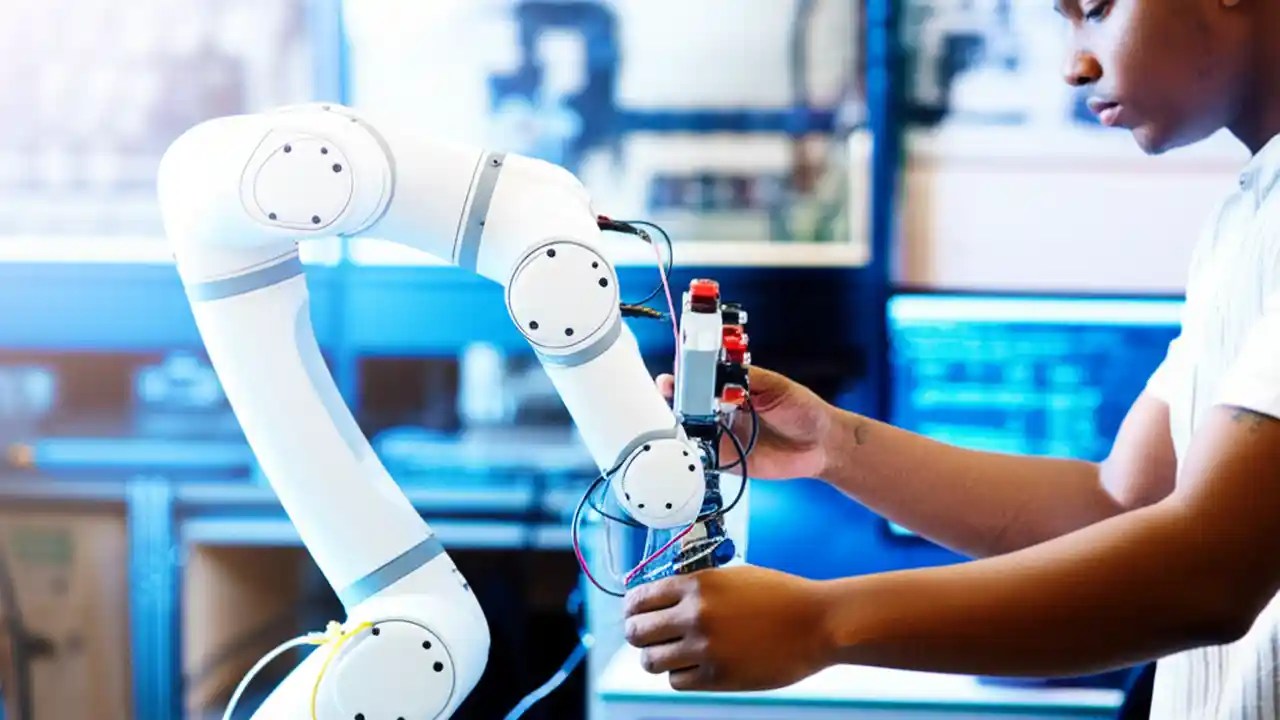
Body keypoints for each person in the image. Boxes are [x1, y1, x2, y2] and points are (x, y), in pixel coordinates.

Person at [622, 1, 1280, 718]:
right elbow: (1117, 506)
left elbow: (1205, 575)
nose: (1074, 64)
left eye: (1094, 9)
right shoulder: (1246, 217)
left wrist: (819, 625)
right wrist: (833, 445)